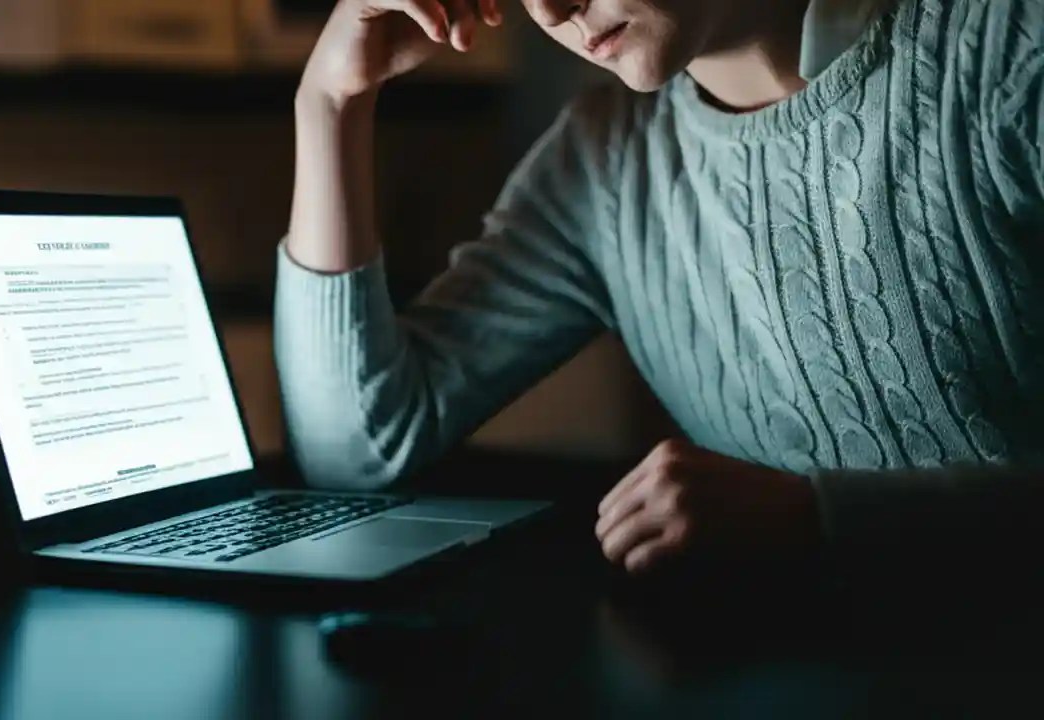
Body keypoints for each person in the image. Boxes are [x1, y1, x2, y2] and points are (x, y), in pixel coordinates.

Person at [275, 0, 1044, 578]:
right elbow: (356, 454)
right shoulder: (607, 162)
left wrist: (822, 518)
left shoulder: (1007, 49)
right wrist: (331, 101)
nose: (553, 9)